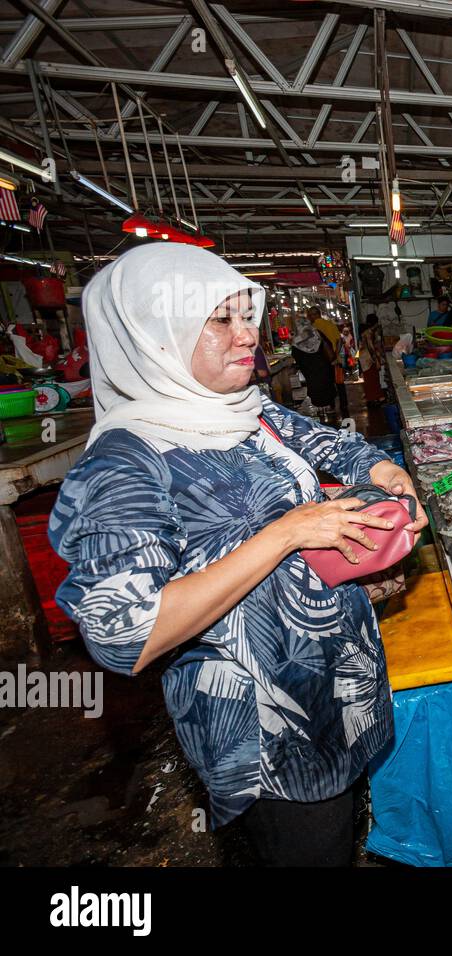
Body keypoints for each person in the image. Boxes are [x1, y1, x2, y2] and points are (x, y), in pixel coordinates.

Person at [48, 244, 428, 866]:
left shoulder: (248, 411)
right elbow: (126, 635)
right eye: (220, 320)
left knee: (341, 832)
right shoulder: (123, 464)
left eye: (245, 314)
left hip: (336, 689)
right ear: (155, 338)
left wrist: (385, 470)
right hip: (267, 725)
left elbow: (334, 444)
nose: (248, 333)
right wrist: (285, 533)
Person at [290, 315, 338, 420]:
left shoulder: (296, 340)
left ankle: (320, 414)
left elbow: (295, 356)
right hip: (324, 367)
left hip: (310, 371)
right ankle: (331, 411)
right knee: (327, 387)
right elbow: (328, 345)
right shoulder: (317, 333)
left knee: (315, 390)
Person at [309, 306, 350, 419]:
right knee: (340, 383)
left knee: (328, 383)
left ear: (314, 315)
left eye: (310, 315)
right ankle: (344, 405)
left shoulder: (312, 327)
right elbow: (339, 341)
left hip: (323, 362)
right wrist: (336, 355)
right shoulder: (331, 324)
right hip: (336, 359)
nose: (309, 317)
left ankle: (331, 405)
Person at [359, 314, 385, 406]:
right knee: (371, 379)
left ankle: (374, 398)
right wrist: (377, 360)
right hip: (367, 359)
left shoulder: (368, 331)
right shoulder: (368, 332)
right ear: (376, 323)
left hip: (365, 357)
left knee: (371, 378)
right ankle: (372, 399)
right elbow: (371, 348)